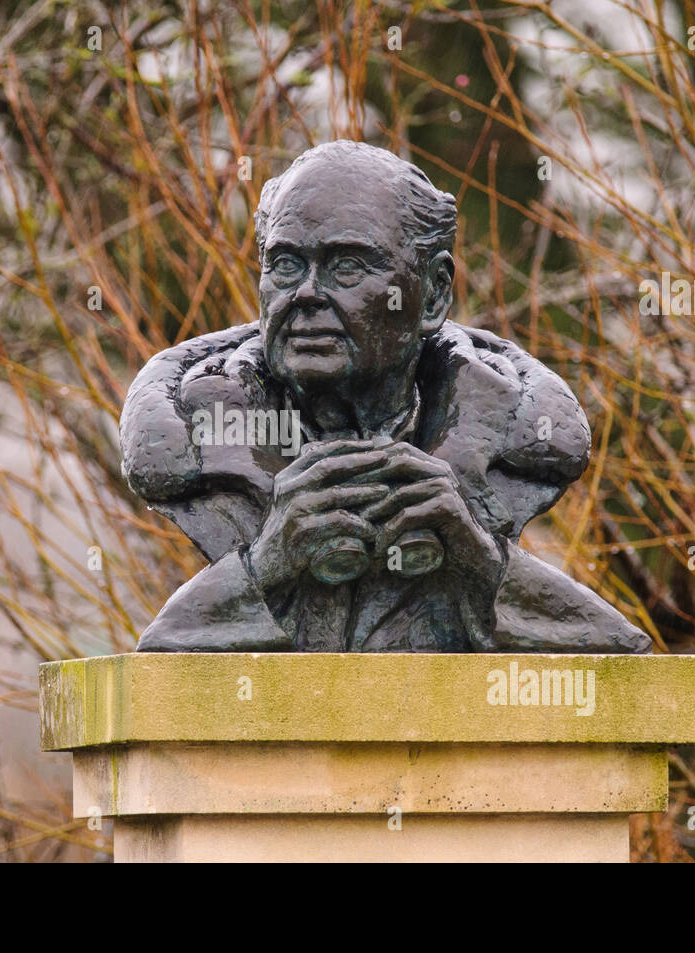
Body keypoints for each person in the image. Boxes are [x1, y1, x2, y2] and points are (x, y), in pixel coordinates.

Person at [120, 140, 649, 654]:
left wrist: (478, 561)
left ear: (434, 294)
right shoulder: (200, 441)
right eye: (285, 263)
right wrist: (266, 564)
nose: (306, 293)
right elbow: (159, 657)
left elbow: (618, 655)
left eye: (347, 266)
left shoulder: (512, 443)